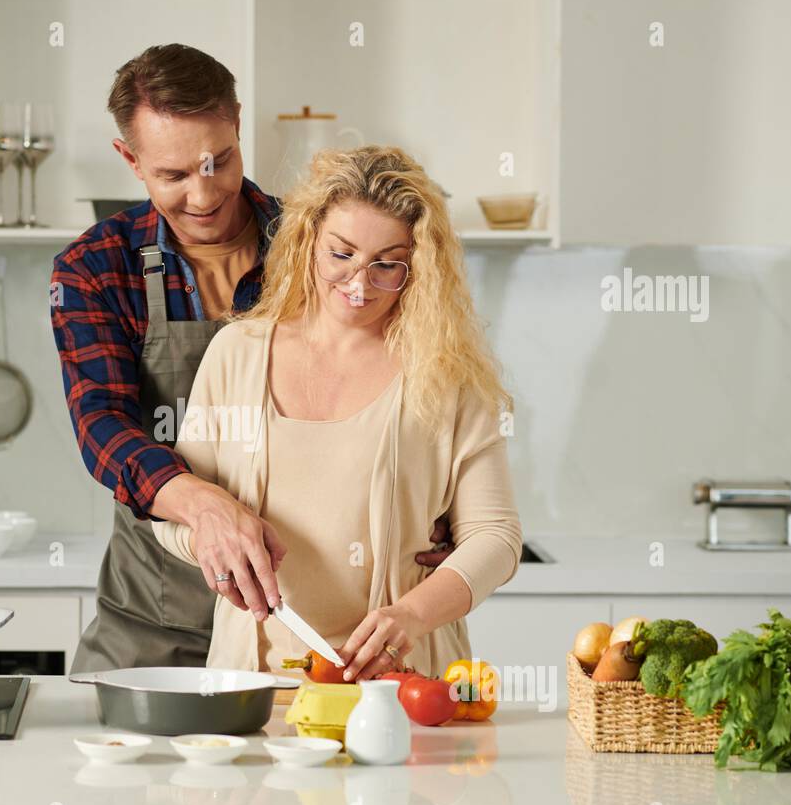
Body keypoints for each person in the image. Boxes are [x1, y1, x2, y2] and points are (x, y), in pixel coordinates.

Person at [51, 45, 453, 673]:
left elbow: (415, 373)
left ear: (238, 122)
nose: (204, 194)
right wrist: (204, 505)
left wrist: (436, 504)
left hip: (302, 627)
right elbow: (102, 424)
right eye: (173, 175)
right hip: (155, 614)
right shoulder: (96, 266)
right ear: (129, 160)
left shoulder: (321, 244)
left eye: (219, 162)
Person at [152, 146, 522, 680]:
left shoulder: (445, 375)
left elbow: (496, 536)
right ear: (308, 243)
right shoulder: (237, 352)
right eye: (341, 254)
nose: (358, 284)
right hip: (255, 683)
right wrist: (211, 545)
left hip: (403, 683)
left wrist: (413, 615)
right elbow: (177, 517)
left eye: (387, 264)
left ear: (418, 267)